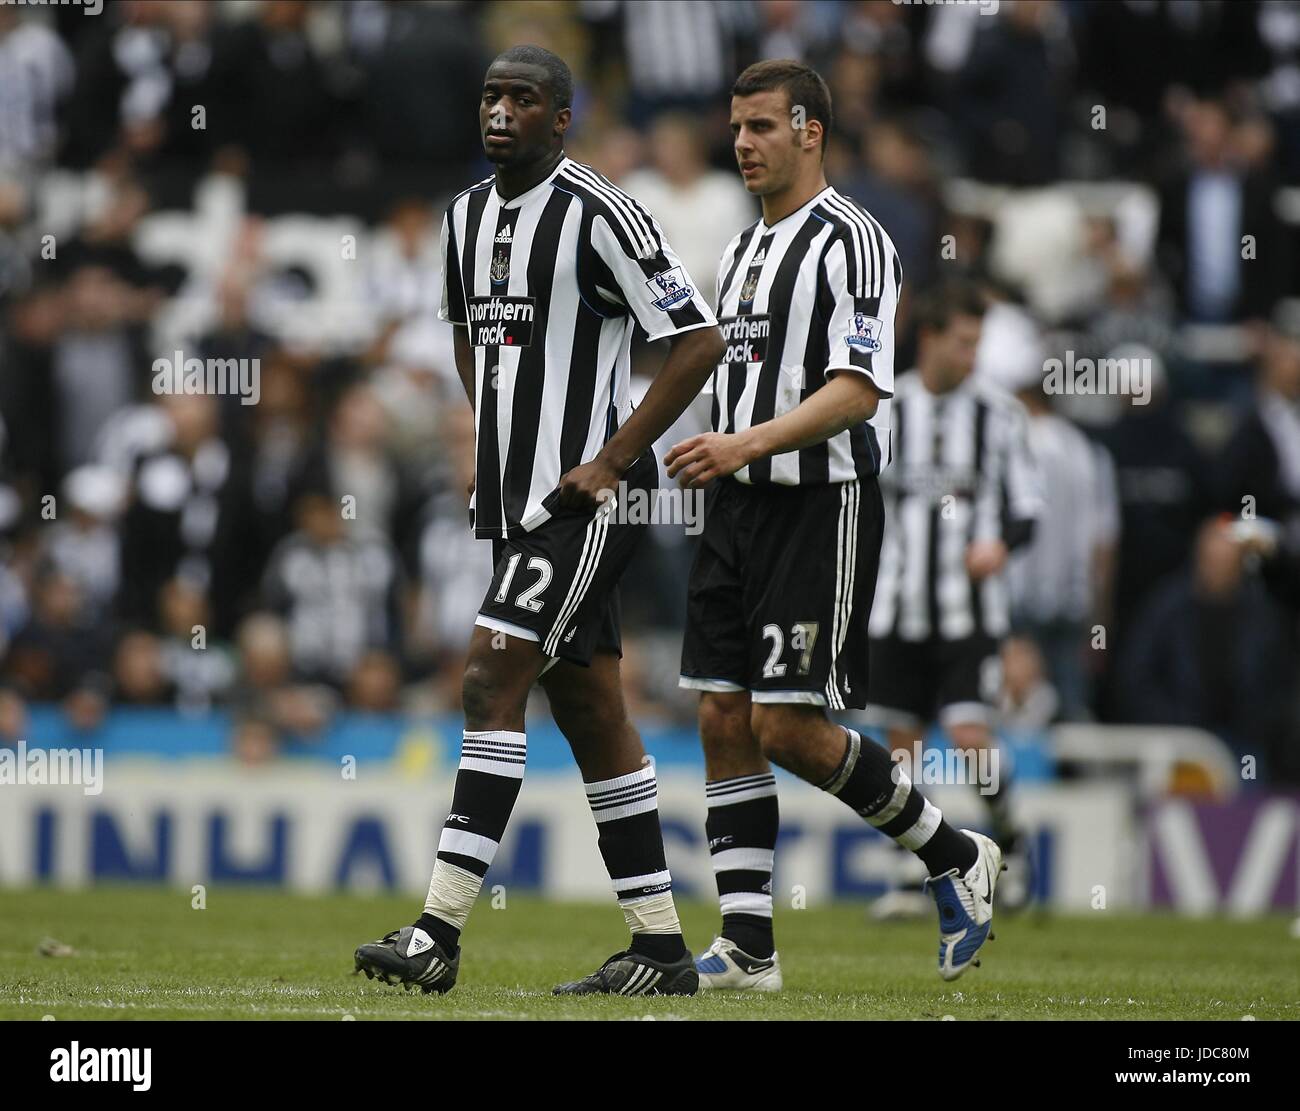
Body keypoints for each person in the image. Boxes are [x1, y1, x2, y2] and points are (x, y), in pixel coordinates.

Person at [352, 46, 724, 997]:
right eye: (490, 95)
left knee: (488, 678)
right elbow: (467, 335)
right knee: (594, 712)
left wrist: (610, 458)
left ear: (562, 119)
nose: (501, 111)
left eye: (523, 98)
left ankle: (437, 930)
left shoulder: (602, 211)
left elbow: (698, 340)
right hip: (511, 505)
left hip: (583, 504)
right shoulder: (464, 217)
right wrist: (485, 444)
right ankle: (661, 948)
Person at [665, 60, 1003, 992]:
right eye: (736, 126)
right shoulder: (741, 250)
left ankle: (951, 851)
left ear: (811, 131)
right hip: (738, 503)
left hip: (820, 502)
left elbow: (856, 390)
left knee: (787, 724)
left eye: (764, 126)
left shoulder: (857, 240)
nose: (743, 142)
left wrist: (743, 445)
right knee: (721, 714)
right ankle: (747, 945)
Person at [862, 282, 1043, 915]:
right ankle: (918, 874)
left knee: (970, 736)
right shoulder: (885, 407)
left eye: (979, 343)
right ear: (931, 338)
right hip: (895, 606)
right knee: (902, 746)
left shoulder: (999, 415)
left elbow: (1026, 511)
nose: (972, 355)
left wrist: (999, 547)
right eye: (964, 342)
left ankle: (1012, 849)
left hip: (970, 612)